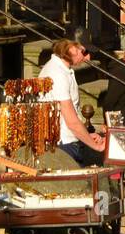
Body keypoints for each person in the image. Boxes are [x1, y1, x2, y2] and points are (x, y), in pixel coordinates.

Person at [39, 34, 106, 166]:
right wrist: (96, 146)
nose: (88, 57)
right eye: (85, 52)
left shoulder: (64, 70)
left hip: (68, 140)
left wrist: (86, 136)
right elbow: (71, 121)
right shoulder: (57, 74)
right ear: (71, 49)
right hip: (62, 145)